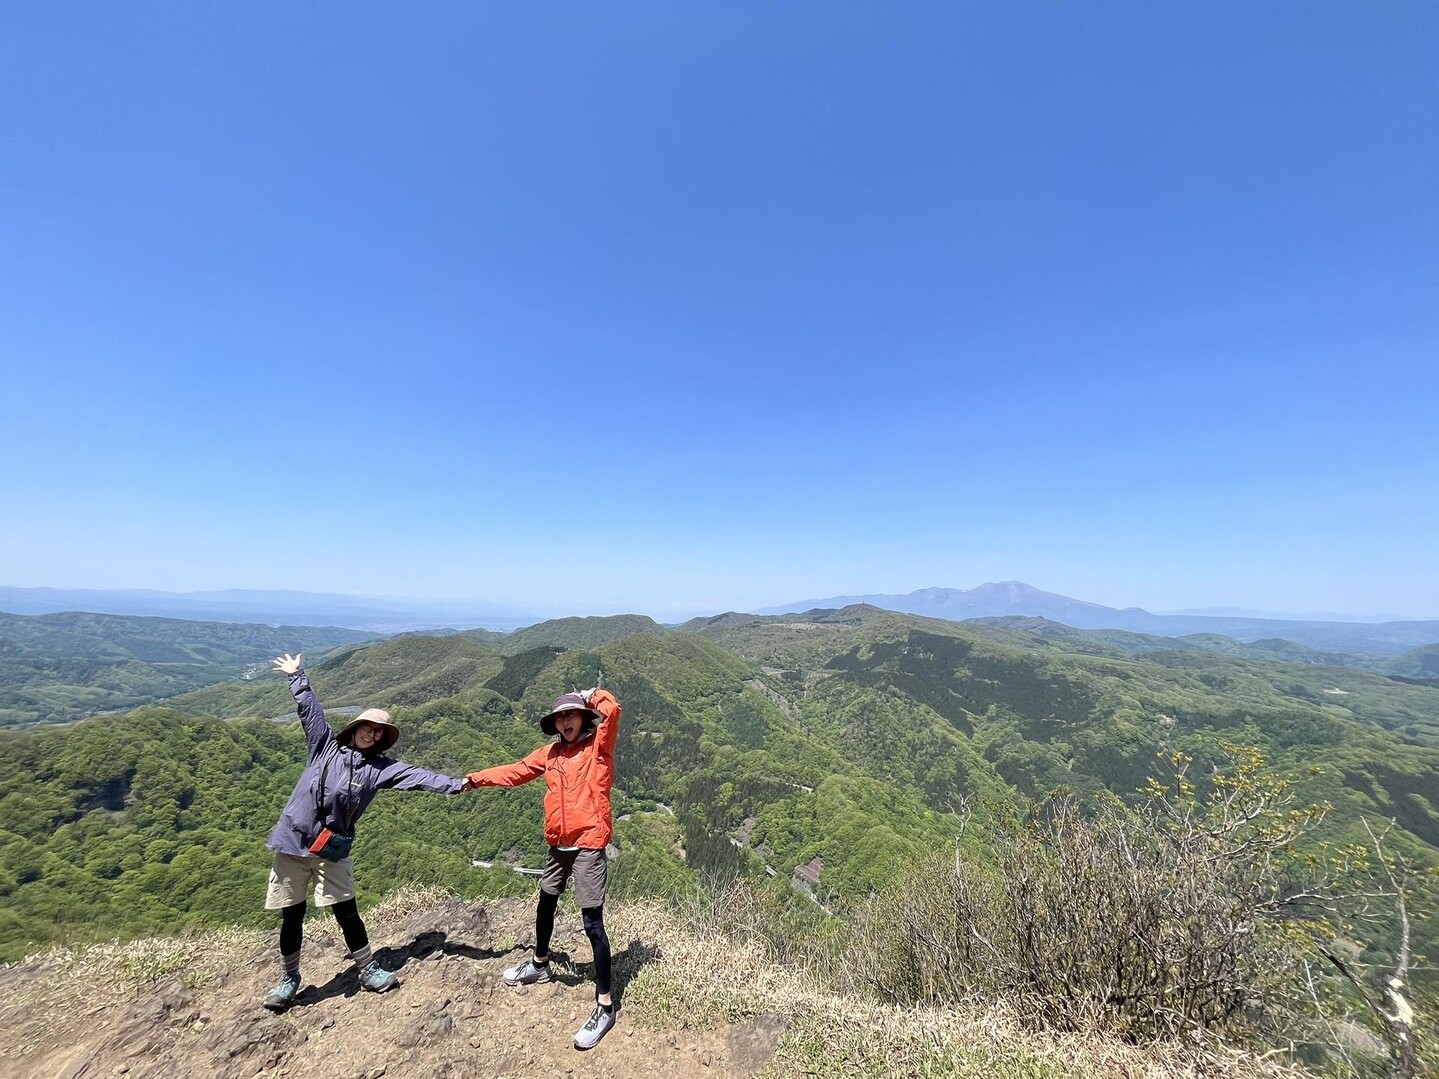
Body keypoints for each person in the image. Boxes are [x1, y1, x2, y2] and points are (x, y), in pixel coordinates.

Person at [261, 652, 470, 1012]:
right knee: (292, 915)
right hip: (293, 842)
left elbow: (418, 777)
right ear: (355, 727)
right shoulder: (324, 747)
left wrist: (458, 784)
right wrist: (297, 676)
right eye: (367, 728)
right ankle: (289, 978)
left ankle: (367, 969)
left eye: (377, 733)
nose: (370, 735)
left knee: (347, 911)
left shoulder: (379, 769)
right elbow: (310, 712)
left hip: (331, 849)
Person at [465, 685, 623, 1050]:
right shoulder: (550, 754)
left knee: (592, 923)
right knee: (545, 903)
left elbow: (613, 711)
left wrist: (593, 694)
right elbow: (515, 771)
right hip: (558, 845)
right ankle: (540, 963)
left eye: (571, 714)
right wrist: (474, 779)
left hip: (588, 844)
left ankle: (605, 1005)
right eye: (560, 717)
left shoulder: (598, 747)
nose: (565, 721)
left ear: (583, 717)